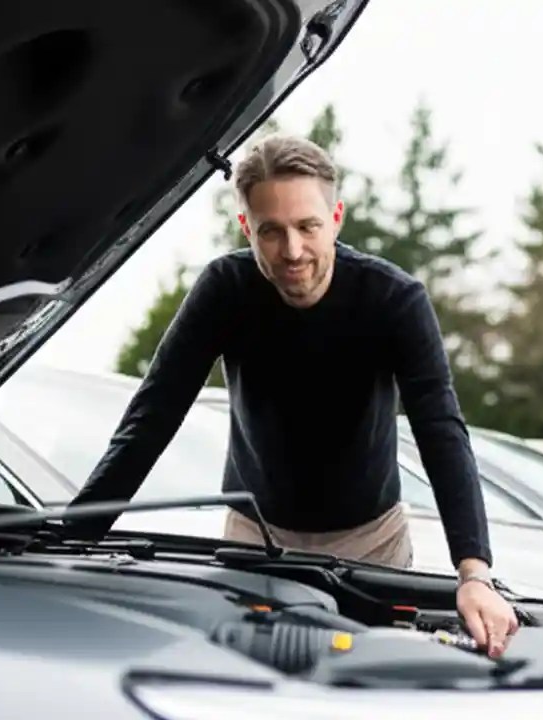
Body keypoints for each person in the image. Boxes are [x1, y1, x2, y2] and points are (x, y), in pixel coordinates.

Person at [64, 134, 518, 657]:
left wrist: (474, 574)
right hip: (255, 537)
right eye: (271, 232)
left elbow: (440, 430)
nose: (293, 251)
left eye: (308, 227)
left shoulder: (393, 300)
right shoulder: (223, 291)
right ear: (245, 227)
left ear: (337, 217)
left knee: (365, 687)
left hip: (372, 544)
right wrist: (75, 535)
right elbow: (153, 416)